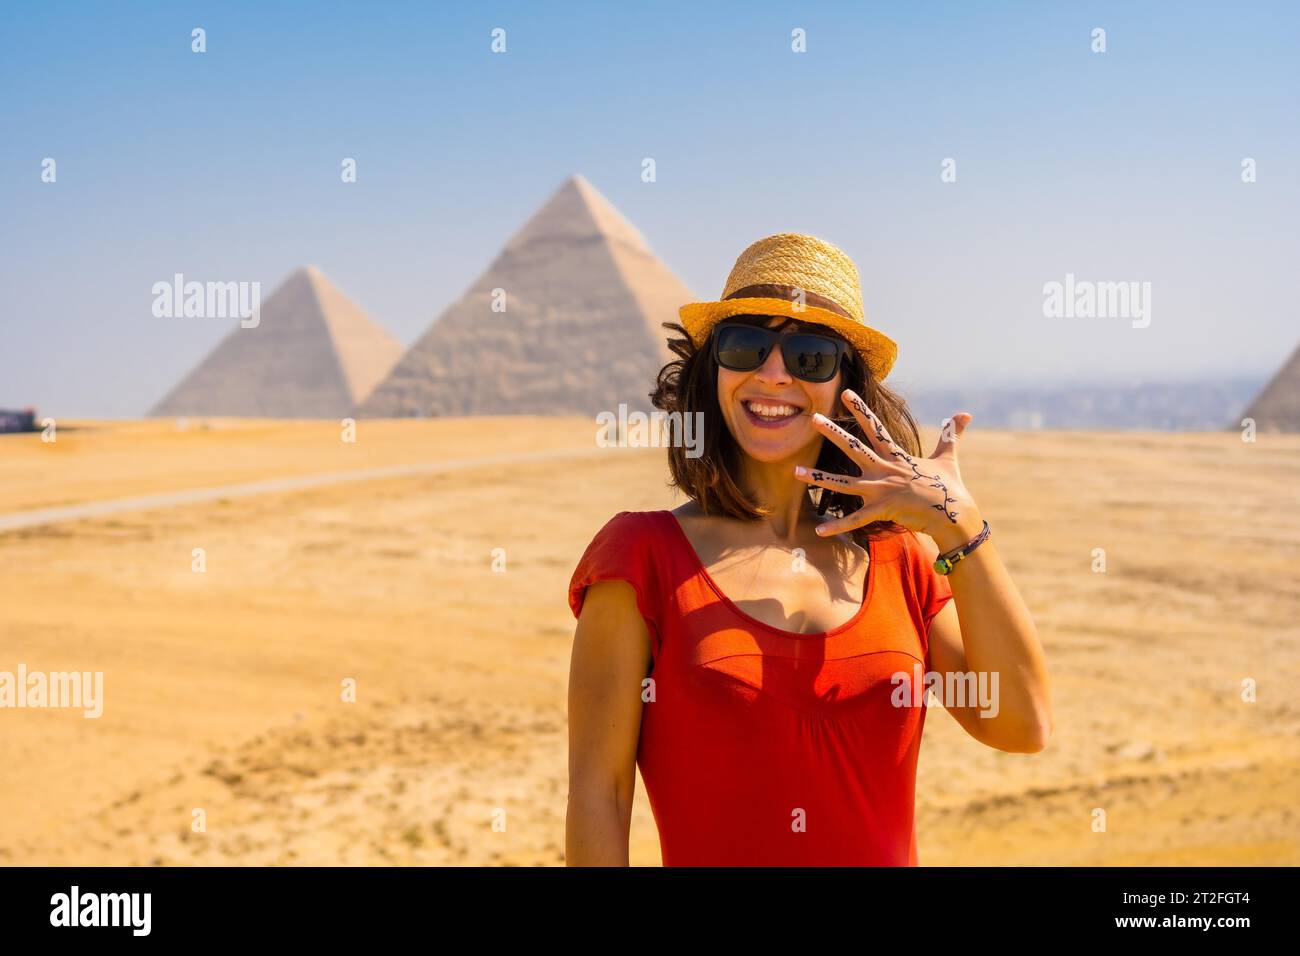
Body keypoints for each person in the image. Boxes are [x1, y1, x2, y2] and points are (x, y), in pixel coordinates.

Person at [566, 233, 1052, 866]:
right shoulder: (640, 557)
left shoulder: (902, 561)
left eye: (810, 355)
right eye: (745, 345)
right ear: (713, 370)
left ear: (846, 384)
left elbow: (1021, 724)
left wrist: (963, 529)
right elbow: (598, 794)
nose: (774, 374)